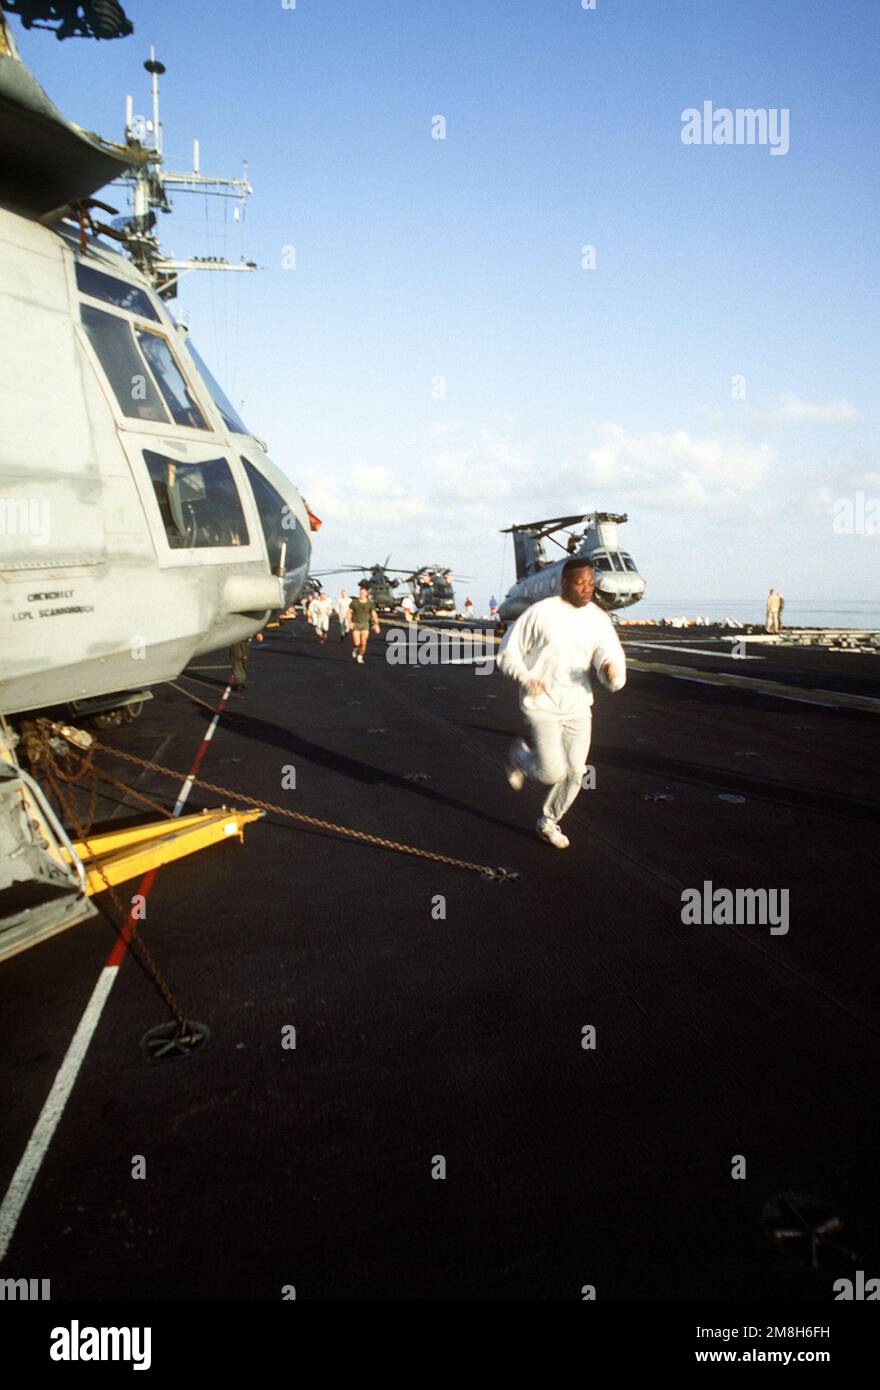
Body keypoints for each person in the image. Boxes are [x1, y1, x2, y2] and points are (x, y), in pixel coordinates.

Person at [497, 557, 626, 849]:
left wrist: (610, 671)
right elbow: (507, 653)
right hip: (541, 703)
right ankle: (521, 756)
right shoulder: (539, 613)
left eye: (591, 583)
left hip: (578, 705)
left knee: (577, 772)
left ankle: (548, 821)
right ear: (564, 583)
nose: (587, 589)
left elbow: (611, 656)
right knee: (552, 772)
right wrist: (527, 678)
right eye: (580, 583)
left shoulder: (598, 619)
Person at [348, 585, 380, 664]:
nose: (361, 594)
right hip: (356, 623)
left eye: (363, 593)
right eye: (360, 592)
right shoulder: (354, 602)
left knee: (363, 643)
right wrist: (350, 623)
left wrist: (376, 624)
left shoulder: (370, 603)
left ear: (366, 594)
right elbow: (349, 613)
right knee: (357, 643)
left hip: (365, 624)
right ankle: (355, 648)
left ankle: (360, 656)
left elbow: (374, 614)